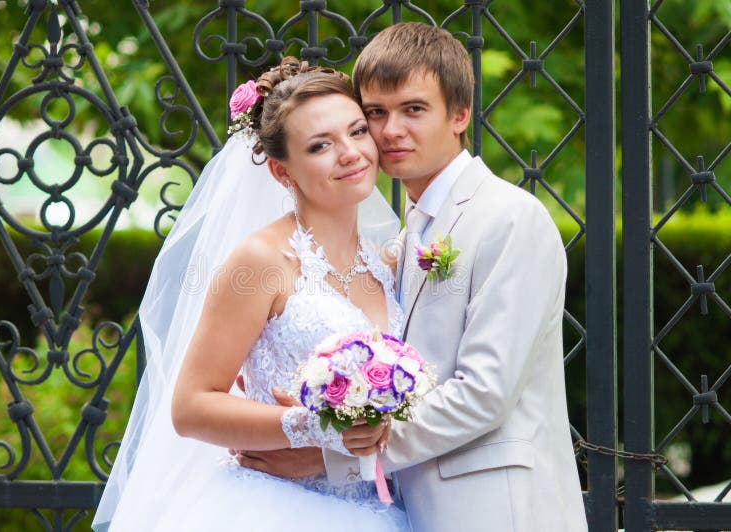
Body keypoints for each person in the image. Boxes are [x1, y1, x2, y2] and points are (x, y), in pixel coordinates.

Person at [235, 23, 589, 532]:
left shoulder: (510, 218)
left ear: (460, 115)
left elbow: (483, 394)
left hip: (498, 510)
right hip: (412, 509)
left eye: (414, 110)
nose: (390, 130)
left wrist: (330, 454)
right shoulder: (405, 239)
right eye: (375, 113)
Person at [92, 58, 409, 531]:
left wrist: (332, 451)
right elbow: (191, 405)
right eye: (321, 145)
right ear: (284, 174)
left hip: (379, 507)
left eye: (358, 131)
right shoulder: (261, 261)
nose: (350, 153)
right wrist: (307, 427)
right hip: (275, 507)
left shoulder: (391, 265)